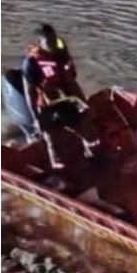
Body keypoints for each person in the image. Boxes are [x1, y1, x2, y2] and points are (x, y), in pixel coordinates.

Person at [21, 24, 87, 170]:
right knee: (50, 135)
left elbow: (71, 79)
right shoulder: (31, 63)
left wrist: (83, 102)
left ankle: (89, 150)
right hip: (46, 102)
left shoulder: (61, 51)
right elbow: (29, 92)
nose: (52, 45)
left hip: (65, 96)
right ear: (39, 43)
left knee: (83, 122)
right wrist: (36, 118)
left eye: (53, 40)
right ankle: (57, 164)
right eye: (48, 42)